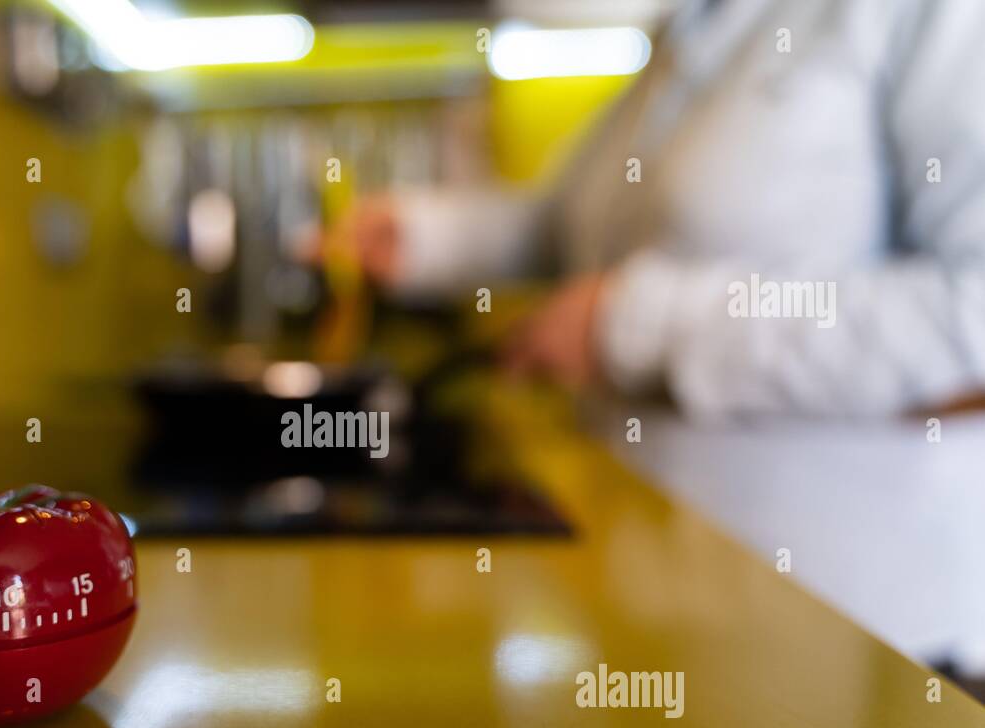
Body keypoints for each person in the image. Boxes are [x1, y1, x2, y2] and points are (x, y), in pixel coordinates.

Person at [332, 0, 985, 419]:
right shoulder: (694, 25)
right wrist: (425, 238)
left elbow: (970, 315)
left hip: (860, 597)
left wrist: (635, 325)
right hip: (676, 567)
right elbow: (574, 224)